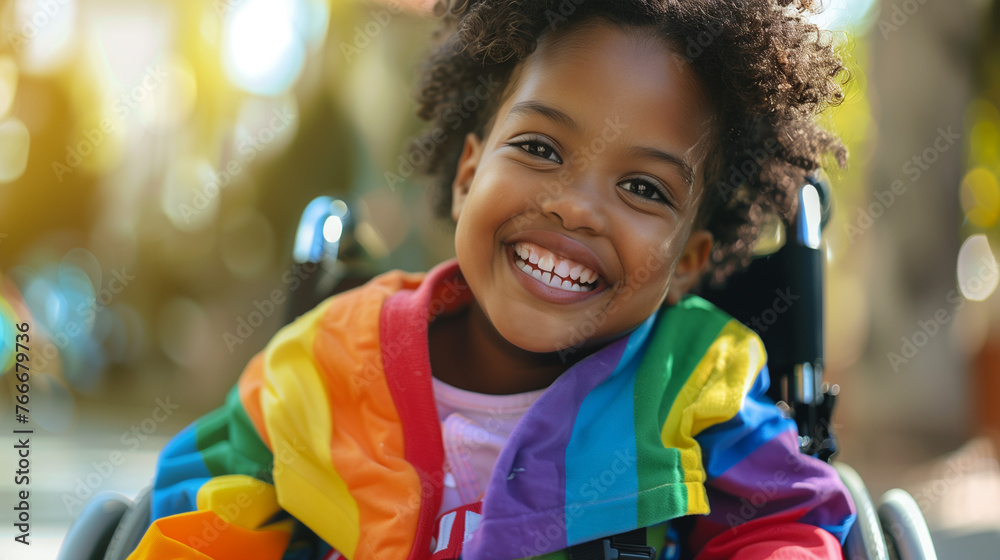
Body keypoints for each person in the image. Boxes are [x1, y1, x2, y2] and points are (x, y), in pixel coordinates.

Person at [128, 0, 856, 558]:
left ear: (687, 263)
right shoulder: (322, 361)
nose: (575, 206)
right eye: (539, 147)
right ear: (468, 175)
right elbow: (204, 512)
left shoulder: (697, 382)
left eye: (643, 189)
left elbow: (782, 521)